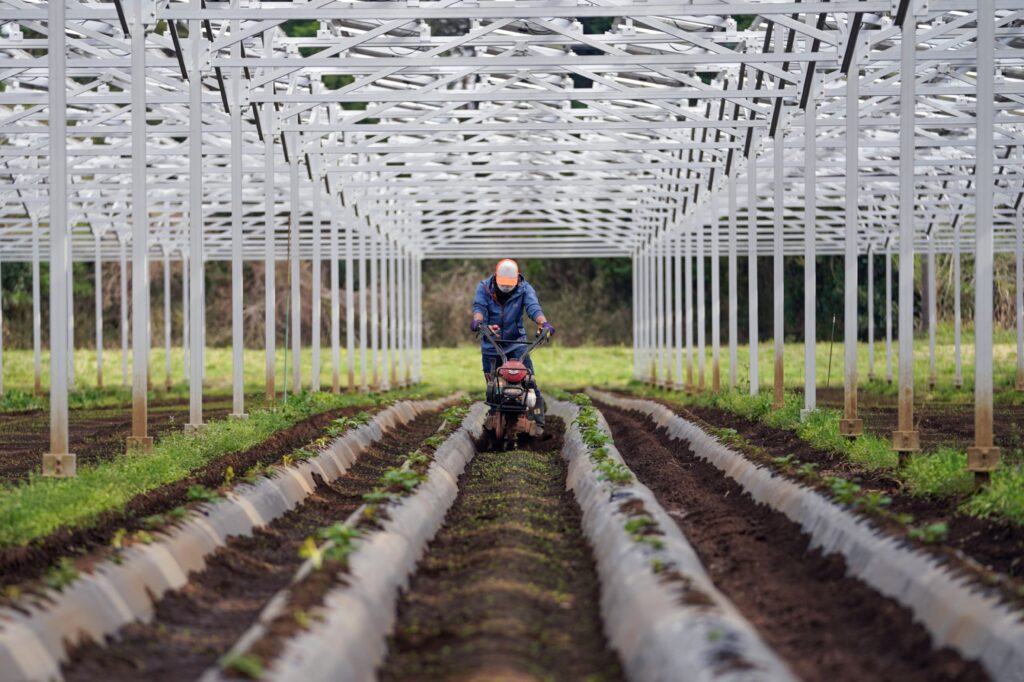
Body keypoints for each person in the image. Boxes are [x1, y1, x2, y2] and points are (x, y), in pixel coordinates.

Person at [471, 259, 555, 425]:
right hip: (491, 341)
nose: (507, 287)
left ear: (516, 279)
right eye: (504, 284)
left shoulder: (524, 288)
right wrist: (479, 323)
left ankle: (537, 418)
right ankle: (495, 413)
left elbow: (533, 307)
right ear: (496, 277)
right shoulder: (484, 288)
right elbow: (479, 307)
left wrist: (543, 323)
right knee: (493, 384)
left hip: (516, 342)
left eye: (510, 284)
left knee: (529, 379)